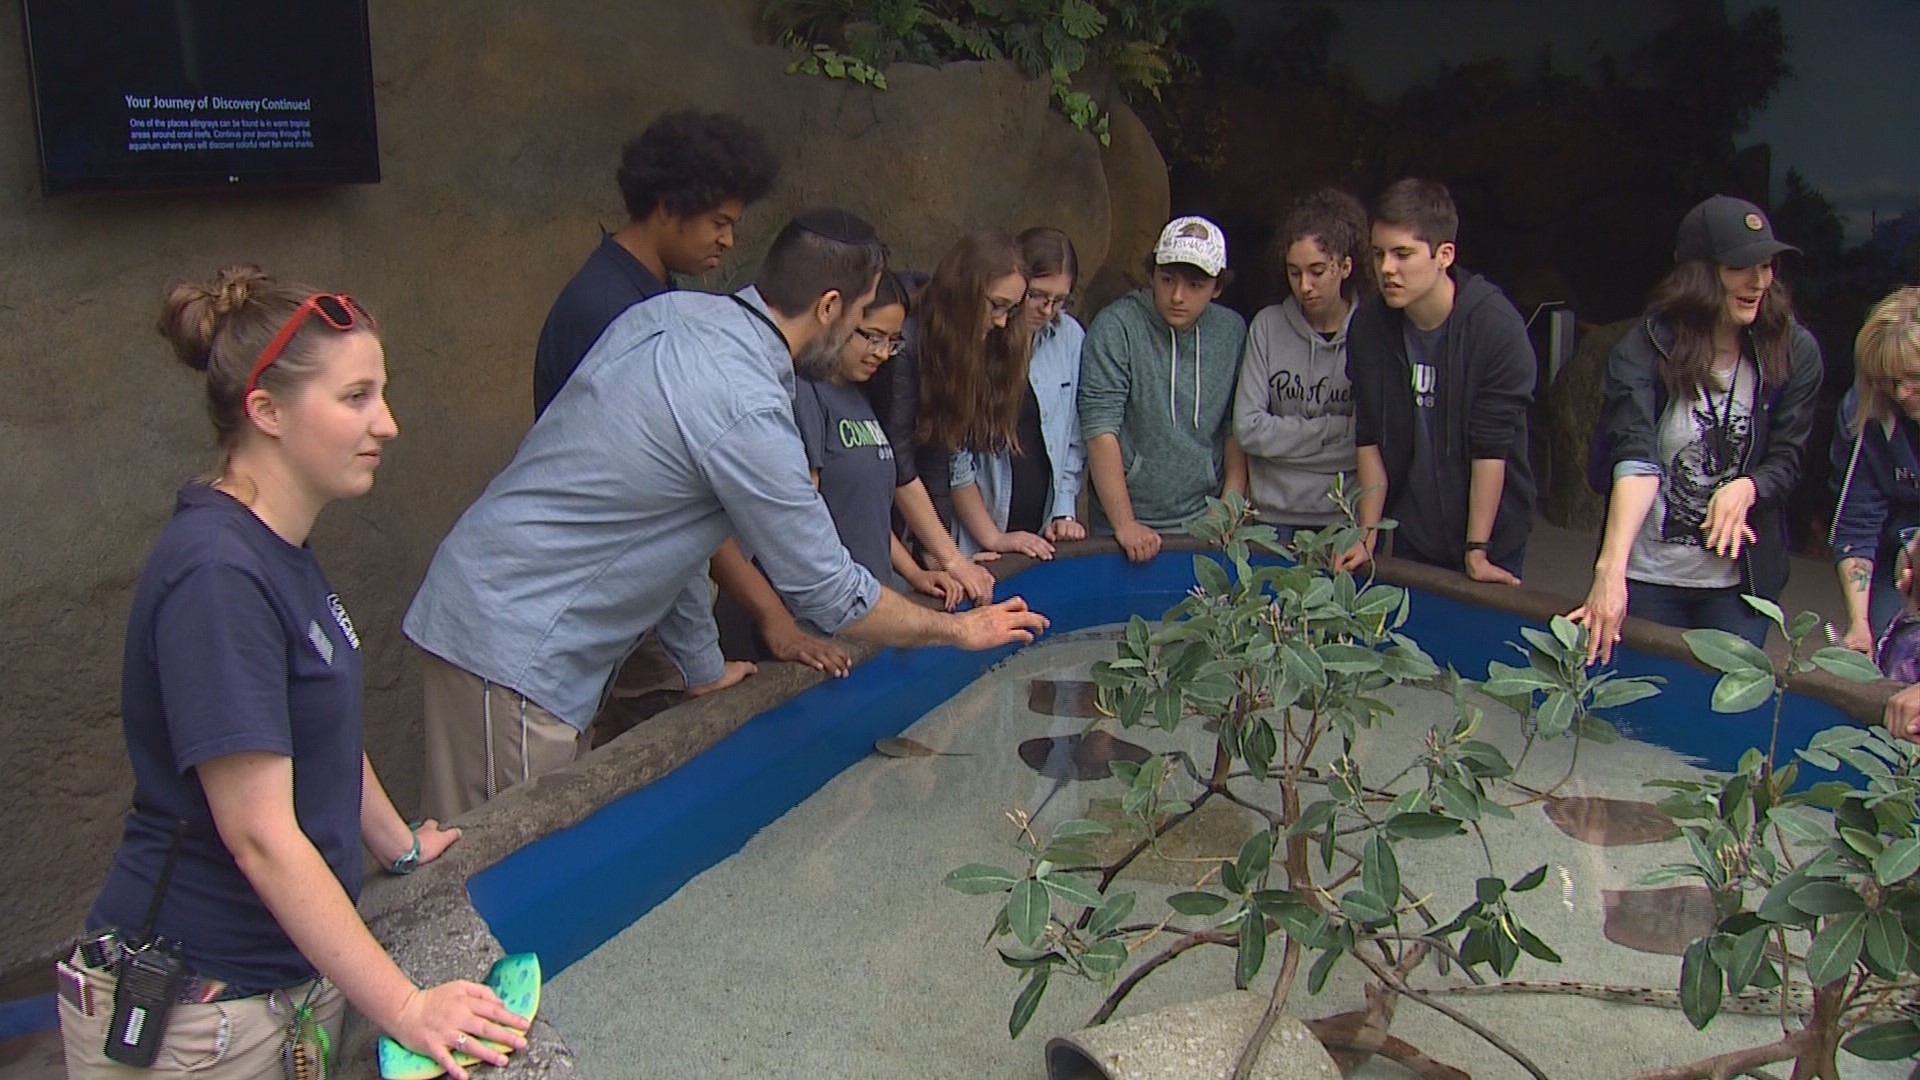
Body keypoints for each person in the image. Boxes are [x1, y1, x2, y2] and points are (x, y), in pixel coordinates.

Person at [404, 209, 1049, 820]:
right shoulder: (746, 402)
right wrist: (957, 631)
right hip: (513, 647)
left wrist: (703, 668)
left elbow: (674, 528)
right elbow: (827, 590)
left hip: (507, 626)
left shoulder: (673, 316)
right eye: (859, 319)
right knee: (502, 885)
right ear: (828, 308)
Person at [60, 267, 525, 1079]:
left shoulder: (278, 547)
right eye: (355, 398)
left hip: (271, 996)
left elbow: (322, 725)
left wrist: (398, 845)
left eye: (381, 393)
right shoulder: (217, 574)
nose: (388, 422)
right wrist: (408, 1008)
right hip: (197, 1018)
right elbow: (261, 837)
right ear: (266, 411)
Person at [1570, 194, 1822, 663]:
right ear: (1698, 275)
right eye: (1739, 268)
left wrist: (1749, 487)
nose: (1758, 282)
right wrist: (1610, 571)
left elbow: (1788, 459)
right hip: (1651, 573)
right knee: (1639, 711)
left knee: (1723, 717)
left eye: (1767, 266)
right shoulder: (1644, 346)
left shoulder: (1794, 350)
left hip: (1739, 584)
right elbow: (1635, 454)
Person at [716, 272, 965, 662]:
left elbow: (862, 512)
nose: (882, 352)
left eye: (893, 341)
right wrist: (779, 621)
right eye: (871, 336)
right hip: (808, 620)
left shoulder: (861, 396)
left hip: (862, 610)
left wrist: (915, 574)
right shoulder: (803, 392)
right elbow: (795, 519)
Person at [1337, 179, 1535, 584]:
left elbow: (1491, 447)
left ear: (1444, 255)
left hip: (1495, 537)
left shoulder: (1496, 328)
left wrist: (1477, 551)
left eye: (1402, 254)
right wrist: (1367, 535)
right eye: (1378, 254)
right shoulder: (1369, 327)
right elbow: (1369, 436)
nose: (1386, 268)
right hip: (1414, 530)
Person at [531, 109, 779, 417]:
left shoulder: (642, 288)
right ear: (668, 207)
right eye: (719, 223)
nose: (728, 240)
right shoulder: (608, 309)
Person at [1079, 215, 1250, 563]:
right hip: (1124, 524)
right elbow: (1100, 428)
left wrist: (1228, 508)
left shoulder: (1232, 332)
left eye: (1195, 285)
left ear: (1217, 287)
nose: (1177, 296)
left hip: (1207, 519)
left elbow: (1237, 427)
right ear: (1152, 273)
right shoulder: (1117, 326)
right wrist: (1125, 524)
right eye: (1167, 279)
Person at [1233, 187, 1367, 542]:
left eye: (1317, 271)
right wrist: (1334, 430)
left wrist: (1282, 444)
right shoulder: (1267, 326)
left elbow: (1370, 442)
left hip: (1343, 515)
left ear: (1345, 267)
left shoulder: (1371, 332)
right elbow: (1247, 428)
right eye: (1294, 273)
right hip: (1271, 514)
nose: (1304, 286)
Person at [950, 226, 1089, 557]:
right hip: (978, 531)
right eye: (1039, 296)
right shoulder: (981, 337)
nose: (1048, 309)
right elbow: (955, 459)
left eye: (1060, 300)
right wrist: (989, 537)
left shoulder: (1069, 335)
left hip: (1044, 528)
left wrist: (1064, 510)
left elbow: (1072, 434)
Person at [1828, 287, 1920, 653]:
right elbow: (1856, 520)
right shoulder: (1862, 410)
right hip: (1892, 561)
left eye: (1913, 377)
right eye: (1887, 379)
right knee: (1889, 646)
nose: (1901, 393)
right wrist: (1859, 625)